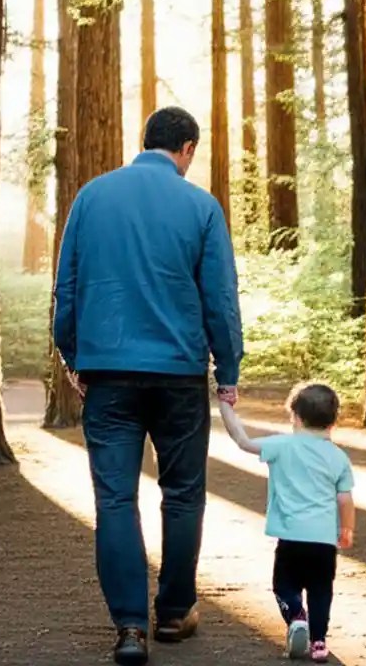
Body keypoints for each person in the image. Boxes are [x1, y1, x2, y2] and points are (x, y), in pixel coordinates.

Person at [53, 106, 244, 666]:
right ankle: (177, 611)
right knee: (182, 494)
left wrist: (74, 356)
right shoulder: (201, 206)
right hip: (180, 376)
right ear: (186, 148)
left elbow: (66, 287)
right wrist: (227, 371)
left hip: (108, 374)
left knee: (115, 500)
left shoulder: (91, 197)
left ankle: (130, 628)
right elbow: (221, 301)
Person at [218, 383, 355, 663]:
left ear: (296, 417)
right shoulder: (339, 457)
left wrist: (226, 407)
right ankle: (318, 642)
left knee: (284, 586)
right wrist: (346, 529)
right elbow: (345, 499)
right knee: (321, 591)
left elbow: (244, 441)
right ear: (334, 420)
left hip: (291, 538)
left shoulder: (281, 446)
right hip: (324, 541)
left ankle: (295, 615)